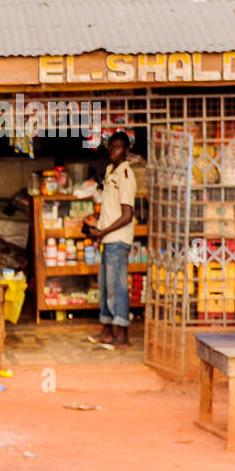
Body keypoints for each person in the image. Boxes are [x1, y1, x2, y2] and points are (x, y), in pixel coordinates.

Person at [86, 131, 137, 348]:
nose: (113, 151)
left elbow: (127, 215)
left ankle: (122, 335)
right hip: (107, 238)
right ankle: (107, 331)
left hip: (117, 239)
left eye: (117, 147)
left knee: (117, 287)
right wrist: (97, 225)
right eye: (111, 146)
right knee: (106, 287)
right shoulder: (110, 171)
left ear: (126, 150)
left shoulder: (126, 175)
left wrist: (103, 231)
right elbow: (110, 207)